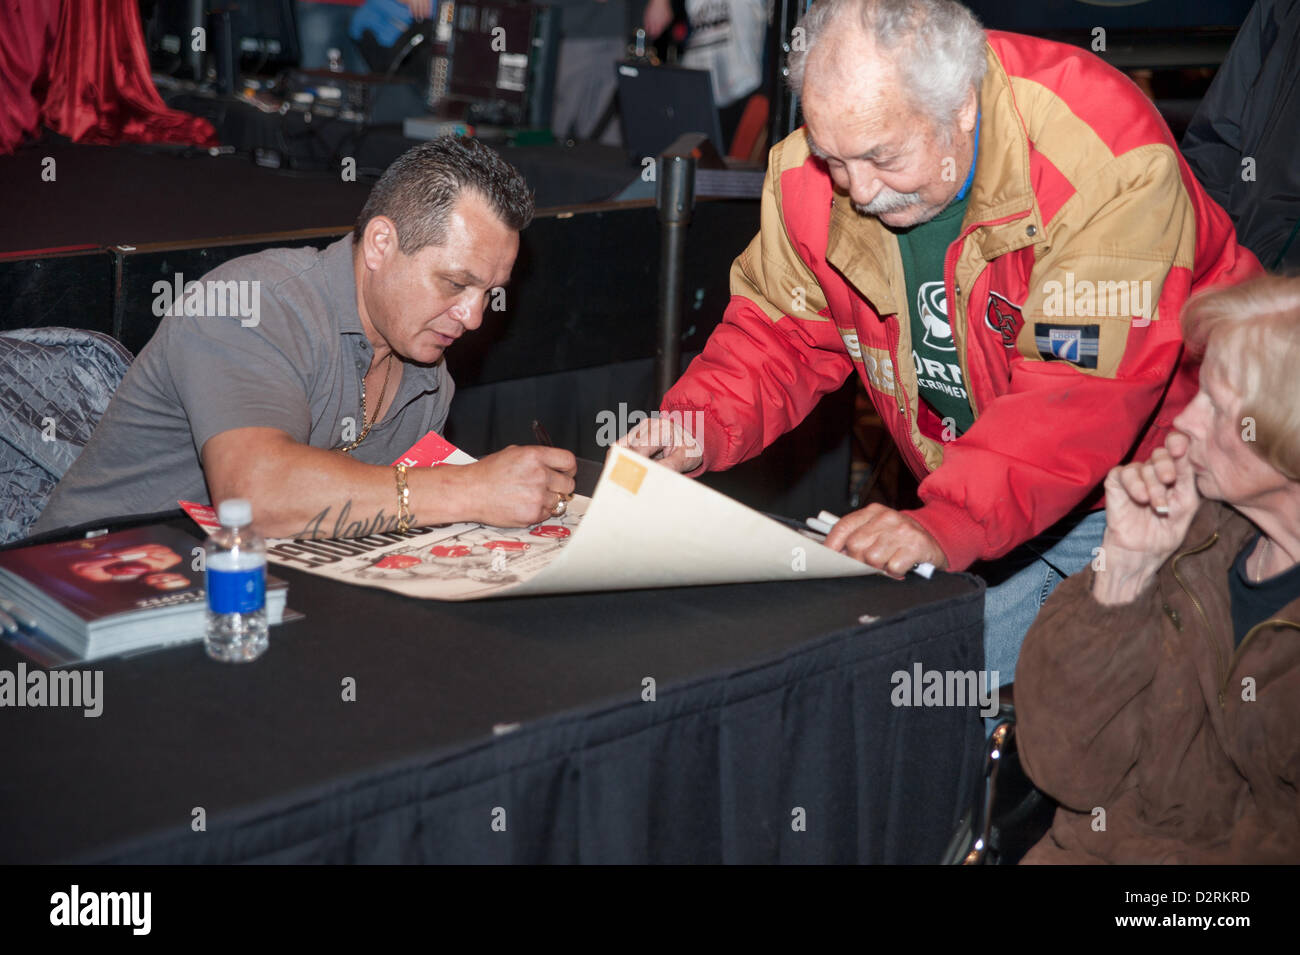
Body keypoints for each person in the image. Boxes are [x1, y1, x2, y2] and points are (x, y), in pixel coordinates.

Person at [620, 0, 1260, 683]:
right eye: (833, 157)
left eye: (881, 157)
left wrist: (948, 520)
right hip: (978, 485)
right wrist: (696, 423)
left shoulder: (1102, 158)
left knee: (947, 681)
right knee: (870, 669)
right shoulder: (815, 170)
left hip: (1159, 487)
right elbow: (781, 331)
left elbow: (1075, 395)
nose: (858, 190)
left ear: (962, 105)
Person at [30, 137, 576, 540]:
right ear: (381, 244)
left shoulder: (427, 373)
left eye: (489, 292)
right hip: (78, 598)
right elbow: (256, 497)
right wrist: (472, 489)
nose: (474, 317)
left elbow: (371, 516)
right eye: (456, 283)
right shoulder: (252, 303)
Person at [1014, 275, 1300, 863]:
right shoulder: (1199, 539)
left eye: (1216, 405)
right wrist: (1124, 572)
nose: (1185, 422)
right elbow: (1064, 768)